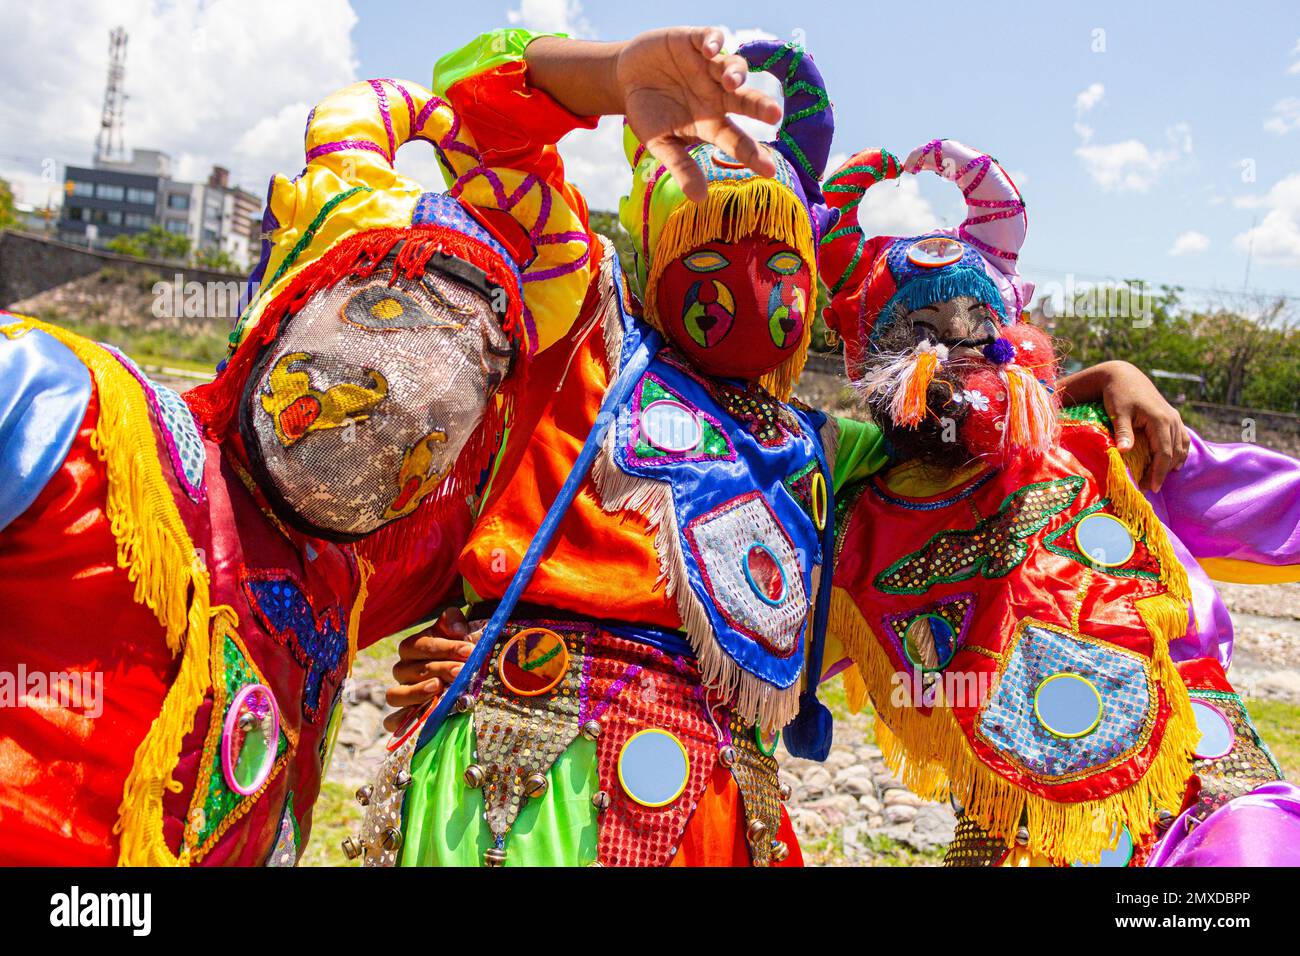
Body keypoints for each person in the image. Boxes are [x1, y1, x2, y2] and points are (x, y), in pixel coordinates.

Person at [370, 28, 1192, 868]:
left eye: (780, 255)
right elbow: (482, 121)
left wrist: (1106, 376)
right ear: (657, 253)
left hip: (721, 798)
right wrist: (613, 76)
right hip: (533, 771)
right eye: (713, 246)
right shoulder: (587, 329)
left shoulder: (822, 446)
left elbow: (970, 429)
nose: (753, 282)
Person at [0, 76, 594, 865]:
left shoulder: (350, 578)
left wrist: (497, 650)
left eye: (466, 378)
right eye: (388, 313)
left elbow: (542, 476)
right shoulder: (71, 417)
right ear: (286, 308)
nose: (410, 396)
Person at [818, 139, 1300, 866]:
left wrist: (1109, 377)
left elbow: (1262, 503)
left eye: (975, 326)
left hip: (1205, 803)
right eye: (916, 336)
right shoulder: (858, 523)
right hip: (1014, 841)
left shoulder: (1101, 444)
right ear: (871, 365)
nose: (954, 355)